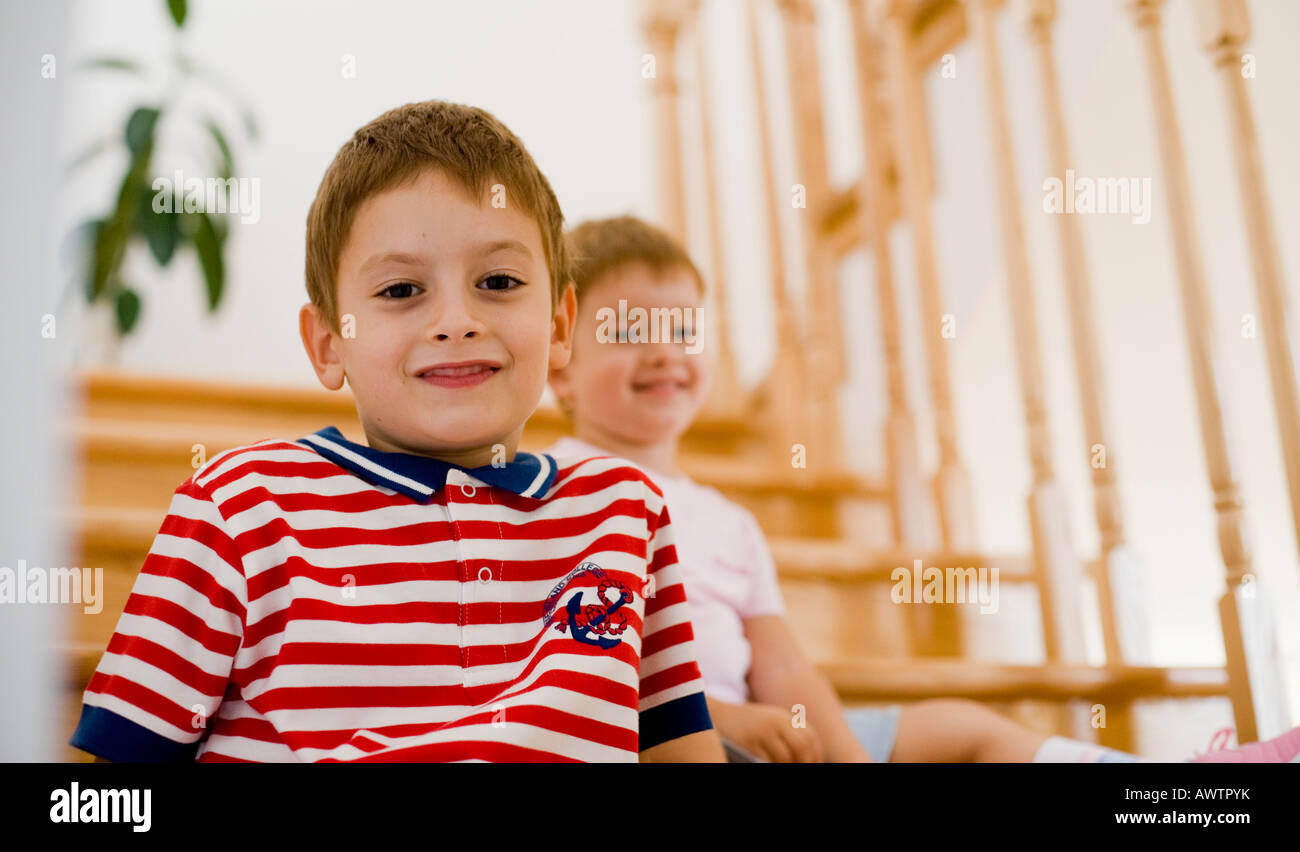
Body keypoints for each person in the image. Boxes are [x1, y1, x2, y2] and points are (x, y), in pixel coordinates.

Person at [69, 101, 724, 763]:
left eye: (498, 281)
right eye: (401, 289)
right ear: (328, 344)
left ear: (559, 325)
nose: (457, 320)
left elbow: (683, 750)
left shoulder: (626, 512)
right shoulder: (240, 510)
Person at [545, 213, 1300, 764]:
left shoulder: (731, 522)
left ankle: (1175, 790)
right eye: (627, 330)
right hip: (666, 738)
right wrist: (719, 719)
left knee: (962, 728)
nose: (663, 353)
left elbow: (785, 667)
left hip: (771, 731)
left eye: (683, 331)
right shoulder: (557, 491)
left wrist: (839, 753)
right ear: (559, 366)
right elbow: (577, 667)